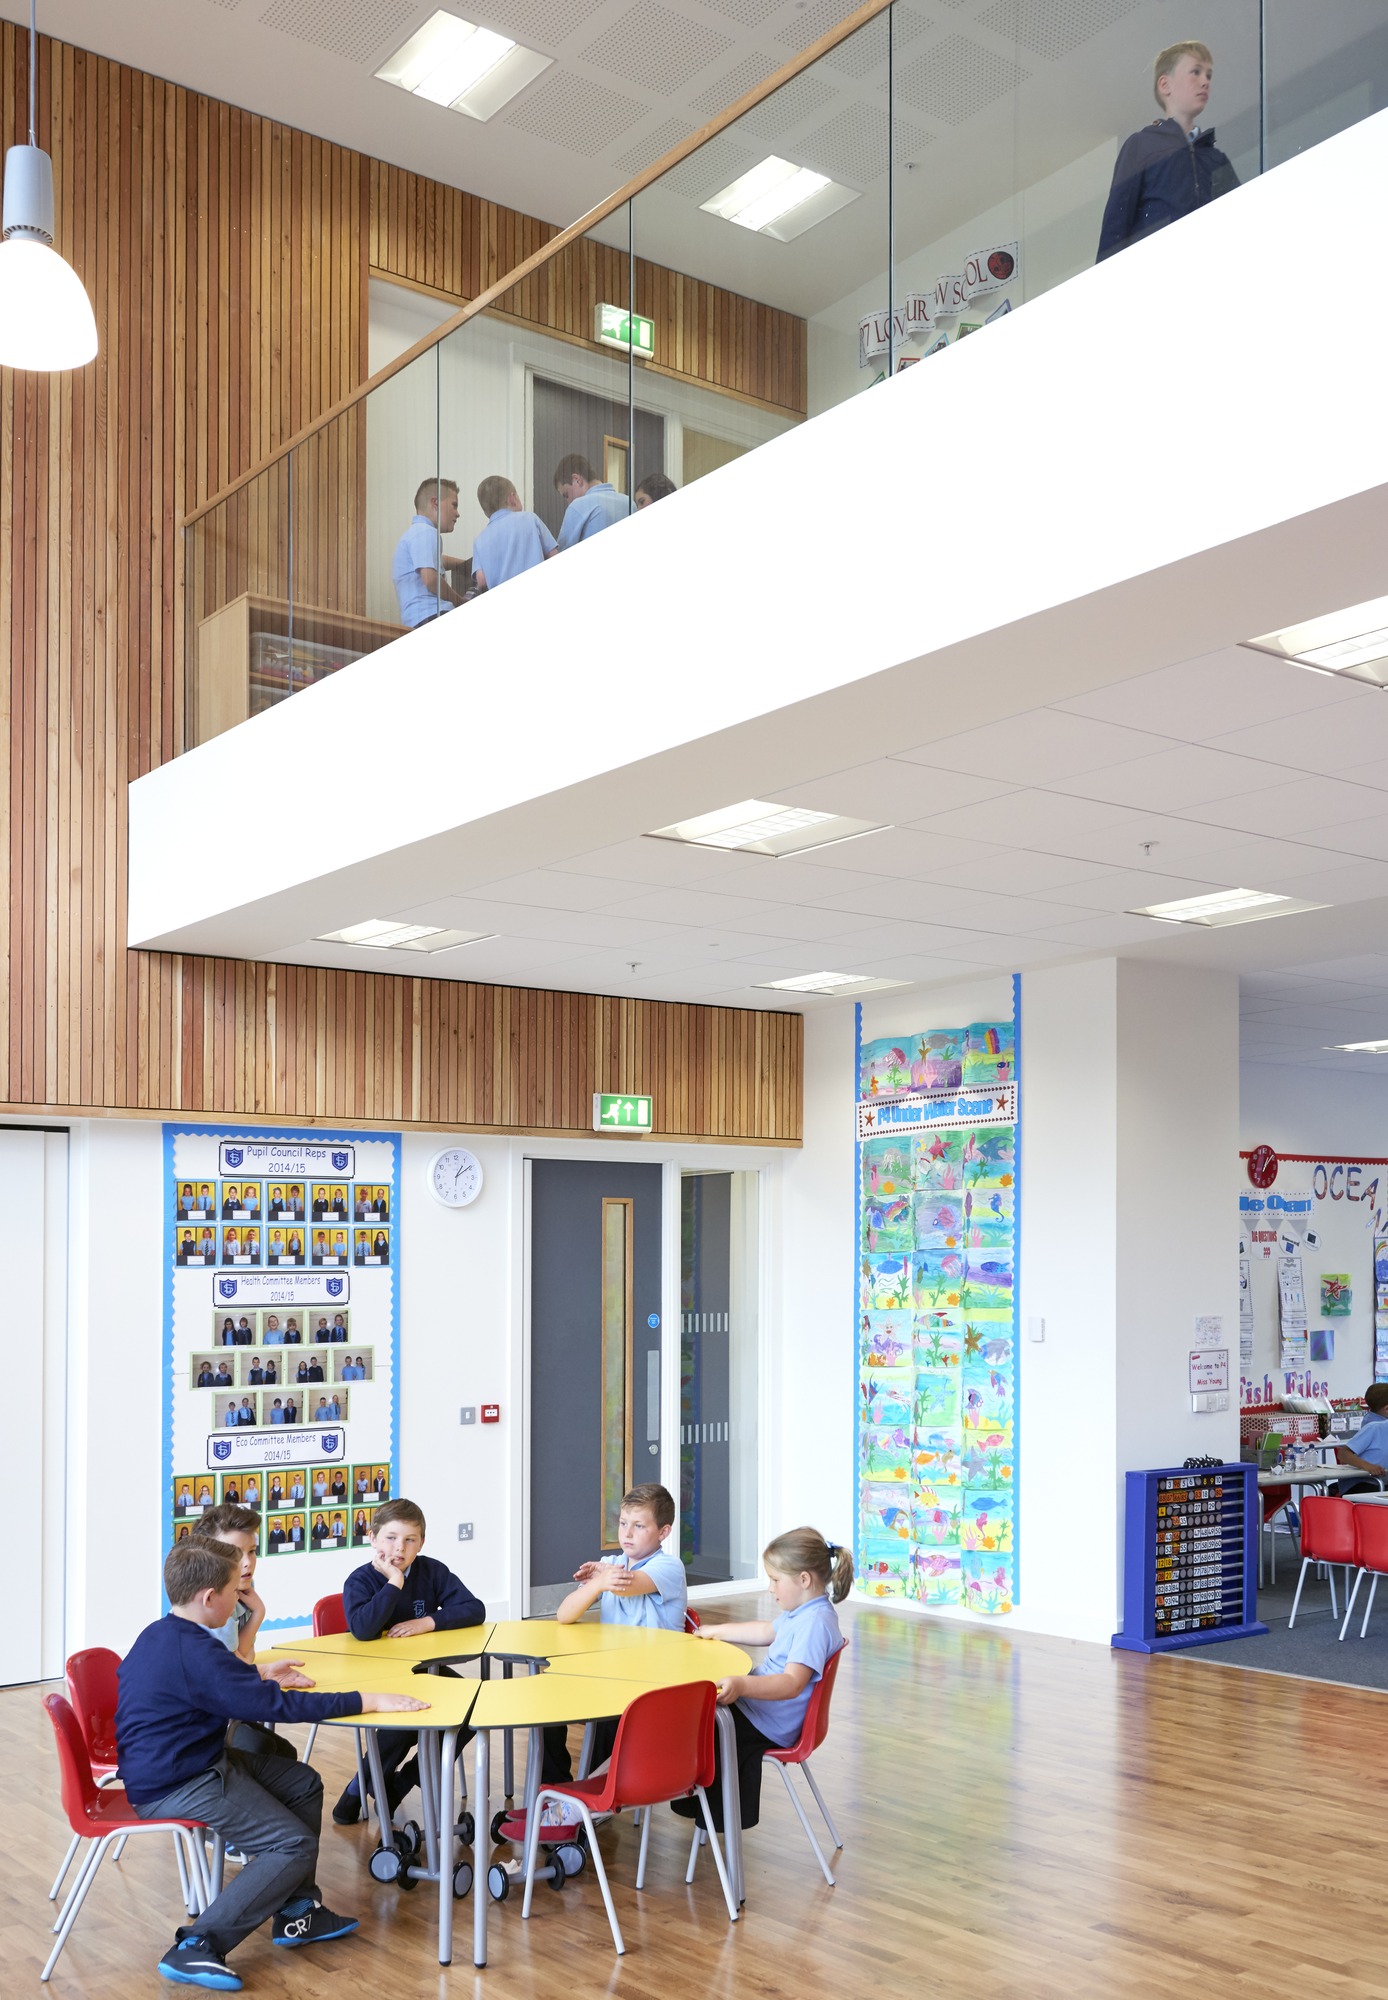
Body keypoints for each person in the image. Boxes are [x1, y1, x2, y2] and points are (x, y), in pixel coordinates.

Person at [116, 1538, 428, 1988]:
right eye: (234, 1589)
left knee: (302, 1782)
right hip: (177, 1782)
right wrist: (369, 1700)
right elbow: (280, 1708)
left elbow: (210, 1683)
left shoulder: (165, 1632)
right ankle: (197, 1944)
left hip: (191, 1763)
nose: (239, 1594)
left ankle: (298, 1912)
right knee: (290, 1844)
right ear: (210, 1598)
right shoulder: (196, 1651)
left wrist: (258, 1672)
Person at [676, 1527, 852, 1830]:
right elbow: (766, 1632)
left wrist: (743, 1685)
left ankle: (702, 1806)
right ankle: (696, 1802)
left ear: (804, 1579)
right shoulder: (804, 1610)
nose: (771, 1588)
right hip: (763, 1713)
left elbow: (791, 1683)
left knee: (697, 1724)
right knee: (695, 1716)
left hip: (768, 1723)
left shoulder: (814, 1624)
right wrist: (718, 1630)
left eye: (775, 1580)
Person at [332, 1499, 486, 1825]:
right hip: (376, 1676)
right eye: (390, 1538)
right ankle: (358, 1789)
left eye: (409, 1540)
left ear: (421, 1542)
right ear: (372, 1538)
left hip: (423, 1670)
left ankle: (400, 1783)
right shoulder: (360, 1581)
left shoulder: (432, 1571)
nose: (399, 1548)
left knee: (473, 1705)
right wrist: (393, 1582)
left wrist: (427, 1622)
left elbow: (474, 1609)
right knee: (404, 1722)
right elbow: (363, 1628)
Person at [541, 1483, 686, 1784]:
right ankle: (556, 1789)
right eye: (622, 1524)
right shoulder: (611, 1565)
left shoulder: (669, 1567)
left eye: (639, 1526)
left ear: (663, 1532)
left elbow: (627, 1583)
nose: (627, 1533)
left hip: (651, 1681)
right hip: (612, 1674)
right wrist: (598, 1581)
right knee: (546, 1702)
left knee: (610, 1714)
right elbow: (564, 1615)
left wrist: (601, 1579)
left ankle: (591, 1802)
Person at [1097, 41, 1238, 262]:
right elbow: (1117, 221)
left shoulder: (1216, 159)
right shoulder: (1141, 146)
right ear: (1165, 85)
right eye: (1195, 72)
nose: (1205, 82)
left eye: (1208, 76)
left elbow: (1237, 222)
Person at [392, 475, 465, 626]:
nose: (458, 513)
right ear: (435, 503)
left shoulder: (414, 534)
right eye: (454, 505)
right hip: (434, 615)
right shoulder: (426, 532)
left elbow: (436, 560)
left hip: (418, 620)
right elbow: (430, 579)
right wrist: (460, 602)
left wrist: (464, 564)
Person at [471, 474, 556, 591]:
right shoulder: (530, 519)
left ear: (485, 511)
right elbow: (553, 554)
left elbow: (481, 580)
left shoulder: (479, 540)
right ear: (512, 498)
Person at [552, 454, 632, 550]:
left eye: (566, 495)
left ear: (576, 480)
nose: (569, 502)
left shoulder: (578, 506)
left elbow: (561, 552)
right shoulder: (630, 503)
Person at [1335, 1383, 1388, 1488]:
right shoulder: (1374, 1427)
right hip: (1363, 1483)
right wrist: (1368, 1466)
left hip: (1382, 1482)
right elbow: (1343, 1454)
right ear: (1387, 1409)